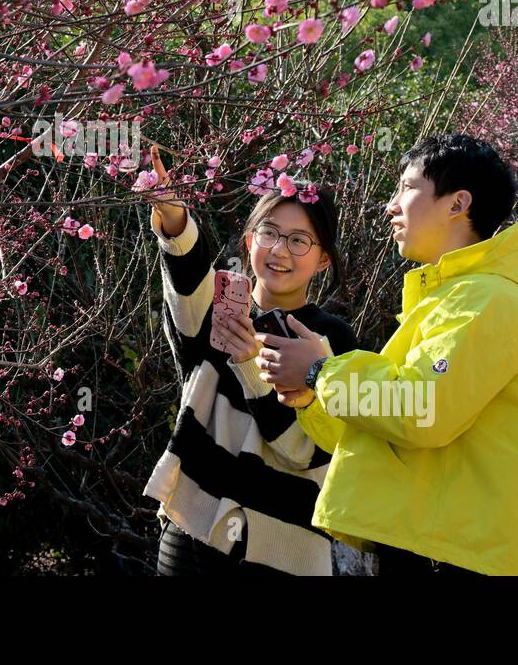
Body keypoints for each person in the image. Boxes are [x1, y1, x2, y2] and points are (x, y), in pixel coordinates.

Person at [257, 133, 518, 575]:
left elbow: (423, 411)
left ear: (457, 204)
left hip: (464, 555)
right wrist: (311, 396)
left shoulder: (489, 300)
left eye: (406, 188)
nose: (390, 206)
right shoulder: (455, 298)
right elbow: (382, 436)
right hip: (439, 544)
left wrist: (320, 371)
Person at [141, 144, 359, 575]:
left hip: (283, 551)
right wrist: (174, 217)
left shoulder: (329, 339)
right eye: (269, 233)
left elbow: (308, 452)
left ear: (322, 261)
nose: (279, 251)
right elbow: (186, 278)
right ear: (249, 240)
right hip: (192, 531)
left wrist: (249, 363)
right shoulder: (216, 311)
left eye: (299, 240)